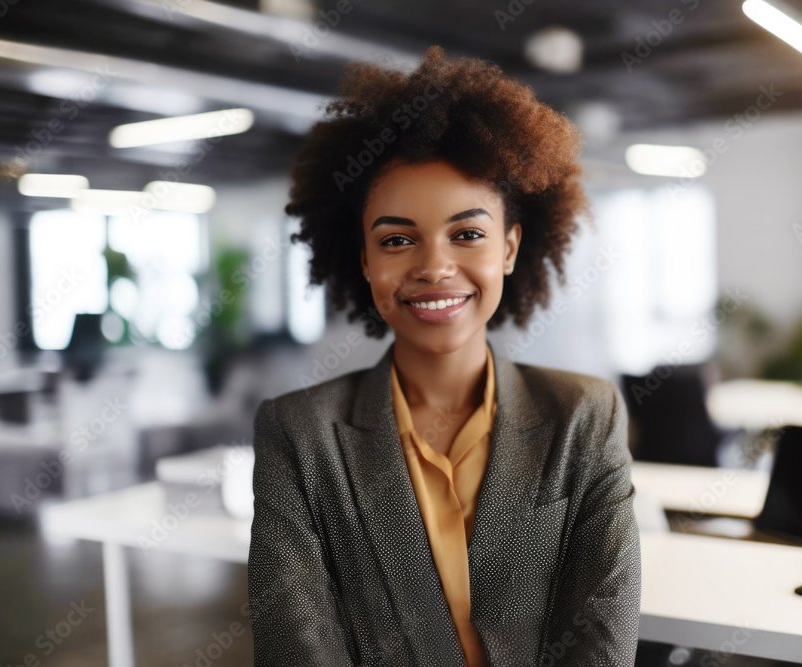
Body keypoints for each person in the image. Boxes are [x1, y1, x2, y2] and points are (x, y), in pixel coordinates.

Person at [247, 45, 640, 666]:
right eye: (398, 239)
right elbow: (296, 648)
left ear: (509, 248)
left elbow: (600, 644)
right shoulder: (299, 433)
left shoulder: (583, 417)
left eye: (468, 234)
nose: (434, 267)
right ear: (366, 262)